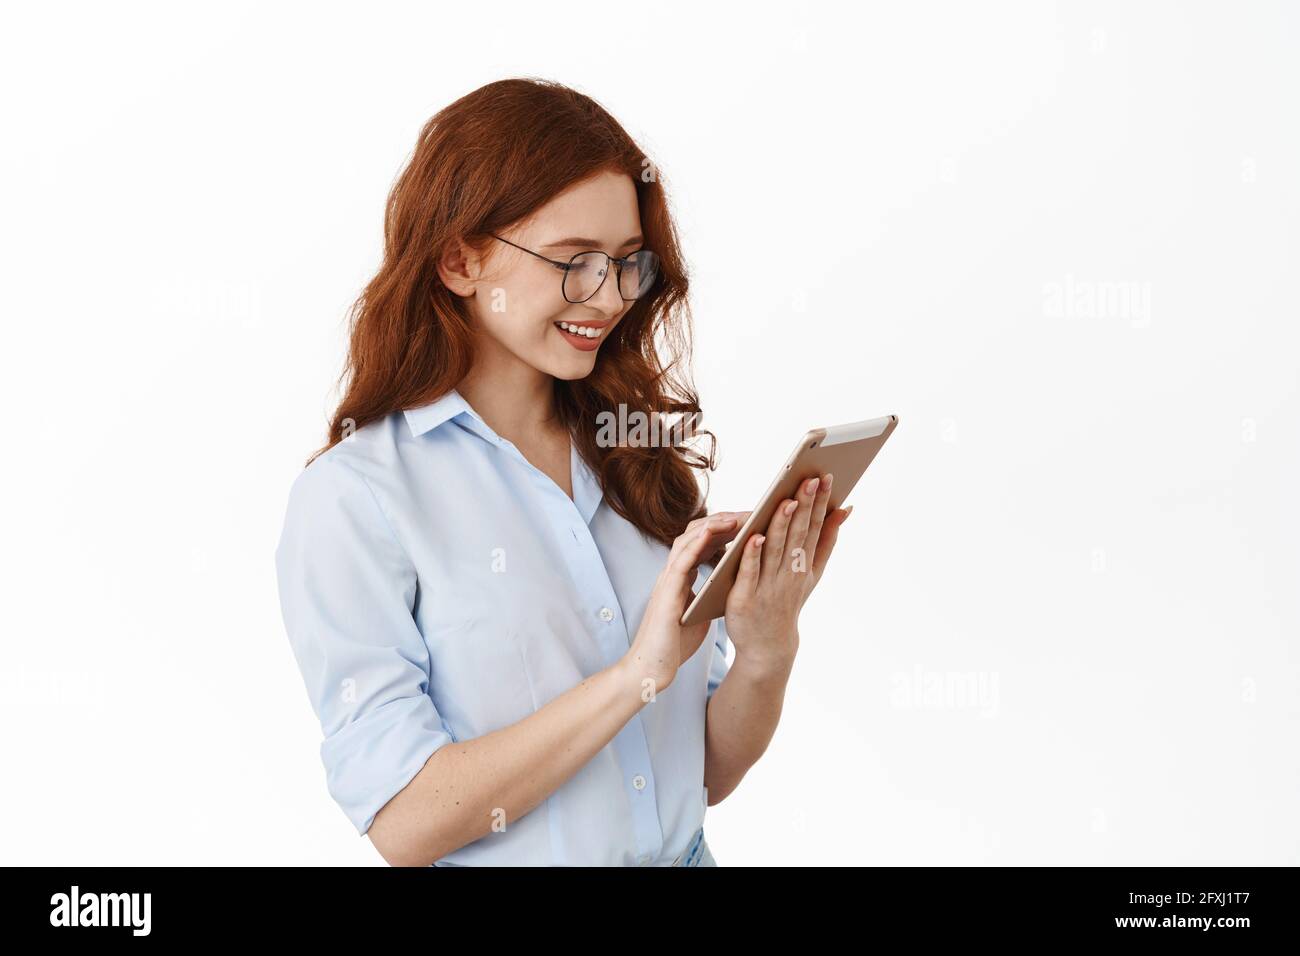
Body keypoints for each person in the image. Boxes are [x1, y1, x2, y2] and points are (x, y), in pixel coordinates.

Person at [274, 77, 852, 866]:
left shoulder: (631, 453)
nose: (609, 296)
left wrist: (767, 644)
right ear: (459, 261)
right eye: (573, 261)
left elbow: (706, 772)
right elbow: (404, 822)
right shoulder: (356, 499)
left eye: (625, 263)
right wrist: (635, 676)